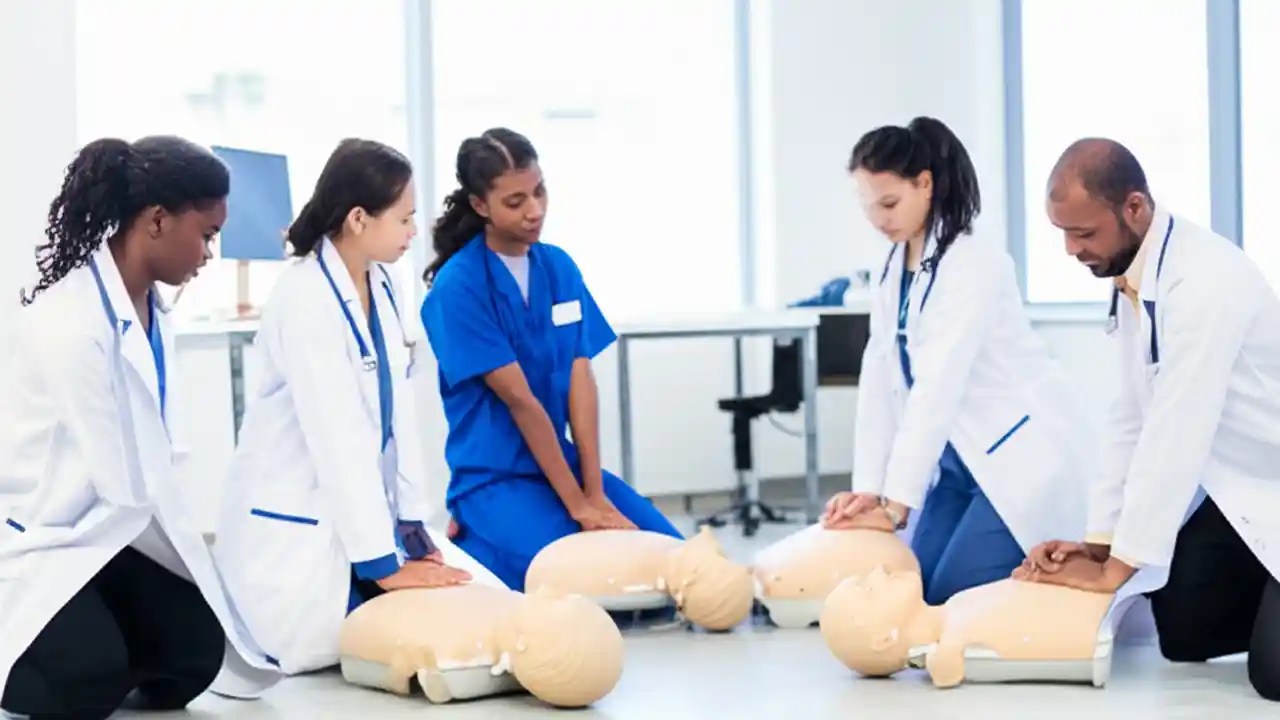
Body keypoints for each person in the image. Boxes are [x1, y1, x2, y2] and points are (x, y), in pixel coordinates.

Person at [0, 136, 281, 718]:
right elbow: (127, 482)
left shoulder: (152, 309)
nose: (210, 252)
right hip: (40, 539)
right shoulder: (71, 322)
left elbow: (144, 480)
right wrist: (194, 562)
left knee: (196, 656)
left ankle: (99, 634)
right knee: (85, 682)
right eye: (206, 234)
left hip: (109, 533)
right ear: (156, 220)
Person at [1019, 138, 1280, 702]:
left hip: (1271, 477)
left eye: (1084, 233)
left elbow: (1176, 429)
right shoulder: (1134, 278)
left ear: (1133, 207)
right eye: (1062, 233)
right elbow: (1130, 418)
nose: (1070, 249)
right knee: (1183, 632)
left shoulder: (1205, 280)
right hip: (1247, 489)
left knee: (1274, 675)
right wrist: (1099, 543)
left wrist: (1118, 568)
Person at [213, 139, 475, 676]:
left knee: (466, 609)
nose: (412, 233)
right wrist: (383, 565)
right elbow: (339, 440)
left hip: (361, 523)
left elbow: (400, 416)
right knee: (420, 644)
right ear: (359, 218)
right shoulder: (305, 297)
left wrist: (412, 528)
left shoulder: (385, 282)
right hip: (299, 539)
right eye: (403, 219)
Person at [820, 117, 1093, 605]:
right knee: (915, 589)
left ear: (924, 185)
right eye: (868, 208)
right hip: (956, 466)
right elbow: (879, 378)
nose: (879, 220)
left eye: (889, 203)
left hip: (1017, 460)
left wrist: (896, 505)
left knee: (950, 597)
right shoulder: (892, 267)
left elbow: (937, 385)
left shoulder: (972, 263)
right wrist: (868, 489)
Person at [419, 127, 682, 591]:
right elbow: (521, 402)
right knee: (588, 579)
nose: (535, 210)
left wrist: (595, 492)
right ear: (481, 205)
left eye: (539, 192)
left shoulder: (558, 267)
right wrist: (579, 509)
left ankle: (499, 540)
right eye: (515, 201)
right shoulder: (458, 289)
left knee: (674, 560)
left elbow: (581, 376)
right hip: (494, 478)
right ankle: (475, 538)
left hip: (563, 465)